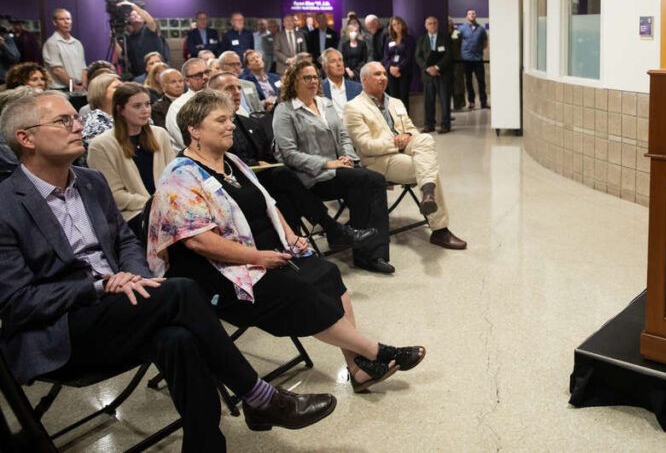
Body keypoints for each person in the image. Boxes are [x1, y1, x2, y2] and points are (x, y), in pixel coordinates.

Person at [0, 91, 337, 450]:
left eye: (75, 118)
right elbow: (17, 302)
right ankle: (260, 397)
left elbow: (126, 243)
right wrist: (102, 287)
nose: (78, 125)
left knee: (178, 339)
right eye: (63, 121)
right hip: (62, 327)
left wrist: (134, 275)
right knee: (182, 290)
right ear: (26, 138)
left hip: (122, 305)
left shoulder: (89, 181)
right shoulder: (7, 204)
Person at [150, 90, 422, 390]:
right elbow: (199, 243)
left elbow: (268, 203)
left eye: (230, 119)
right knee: (298, 288)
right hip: (222, 273)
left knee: (327, 272)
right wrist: (259, 258)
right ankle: (377, 352)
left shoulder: (232, 163)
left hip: (268, 254)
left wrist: (291, 237)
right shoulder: (180, 176)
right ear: (194, 130)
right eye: (221, 120)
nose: (231, 125)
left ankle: (357, 367)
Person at [207, 73, 384, 266]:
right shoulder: (210, 128)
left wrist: (346, 156)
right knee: (284, 177)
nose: (236, 92)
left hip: (269, 181)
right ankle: (330, 229)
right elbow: (220, 162)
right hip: (237, 184)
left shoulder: (248, 122)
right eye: (229, 89)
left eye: (239, 87)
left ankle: (306, 252)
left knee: (286, 193)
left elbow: (269, 155)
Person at [272, 64, 394, 273]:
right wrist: (328, 163)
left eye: (315, 77)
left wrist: (347, 156)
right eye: (306, 77)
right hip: (311, 177)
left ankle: (372, 255)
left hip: (338, 171)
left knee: (370, 181)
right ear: (293, 82)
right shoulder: (285, 110)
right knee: (368, 180)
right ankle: (364, 251)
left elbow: (344, 135)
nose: (313, 81)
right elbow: (288, 154)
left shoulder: (325, 103)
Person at [345, 62, 467, 250]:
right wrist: (396, 142)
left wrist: (408, 137)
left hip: (405, 149)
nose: (383, 78)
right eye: (377, 74)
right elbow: (365, 146)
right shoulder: (354, 107)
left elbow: (412, 131)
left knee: (425, 139)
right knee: (428, 168)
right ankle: (440, 229)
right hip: (380, 160)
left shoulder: (395, 102)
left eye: (385, 74)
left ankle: (427, 194)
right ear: (364, 79)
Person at [86, 82, 174, 231]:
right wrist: (154, 203)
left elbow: (175, 177)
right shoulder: (101, 145)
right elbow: (114, 195)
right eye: (137, 106)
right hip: (133, 214)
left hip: (168, 207)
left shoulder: (160, 134)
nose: (145, 111)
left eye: (147, 104)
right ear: (120, 110)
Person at [415, 16, 454, 134]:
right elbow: (418, 56)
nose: (432, 26)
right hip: (427, 75)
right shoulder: (421, 40)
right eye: (430, 24)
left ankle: (445, 125)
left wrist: (437, 67)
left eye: (434, 23)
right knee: (428, 100)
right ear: (425, 26)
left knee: (444, 100)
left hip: (442, 74)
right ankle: (429, 125)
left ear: (438, 25)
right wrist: (428, 68)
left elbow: (449, 55)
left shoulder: (445, 38)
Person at [165, 58, 210, 150]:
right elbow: (188, 144)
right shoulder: (179, 106)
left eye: (207, 72)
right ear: (187, 81)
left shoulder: (219, 99)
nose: (205, 77)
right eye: (198, 75)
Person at [42, 8, 88, 92]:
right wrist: (73, 87)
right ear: (55, 22)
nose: (66, 22)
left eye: (68, 19)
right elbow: (57, 70)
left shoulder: (77, 43)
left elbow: (83, 67)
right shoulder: (52, 43)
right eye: (62, 19)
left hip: (79, 88)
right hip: (62, 89)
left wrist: (84, 85)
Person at [118, 2, 165, 80]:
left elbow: (151, 21)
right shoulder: (130, 38)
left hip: (156, 71)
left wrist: (133, 6)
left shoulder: (149, 31)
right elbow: (122, 56)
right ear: (129, 20)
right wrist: (114, 42)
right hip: (138, 75)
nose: (135, 16)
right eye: (132, 15)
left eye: (138, 14)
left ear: (143, 19)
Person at [80, 72, 121, 154]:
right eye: (117, 87)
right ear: (101, 91)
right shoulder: (94, 123)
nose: (124, 90)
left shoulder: (126, 114)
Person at [458, 9, 488, 109]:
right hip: (466, 60)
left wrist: (478, 51)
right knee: (469, 82)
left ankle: (483, 102)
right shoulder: (462, 29)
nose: (472, 15)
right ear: (467, 16)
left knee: (481, 82)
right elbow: (458, 42)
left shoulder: (481, 29)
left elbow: (485, 43)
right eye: (470, 14)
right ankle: (471, 102)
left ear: (476, 16)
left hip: (478, 59)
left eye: (473, 13)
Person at [384, 15, 413, 110]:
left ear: (402, 24)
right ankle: (396, 121)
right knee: (393, 97)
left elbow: (409, 57)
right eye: (394, 25)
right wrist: (391, 68)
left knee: (404, 97)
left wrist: (398, 68)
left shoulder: (409, 39)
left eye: (398, 24)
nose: (396, 26)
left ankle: (405, 122)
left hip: (404, 71)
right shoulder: (389, 39)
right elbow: (386, 57)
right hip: (391, 71)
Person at [448, 16, 466, 110]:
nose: (448, 23)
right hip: (446, 63)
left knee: (458, 83)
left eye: (449, 22)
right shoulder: (442, 34)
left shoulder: (458, 34)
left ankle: (459, 104)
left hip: (458, 62)